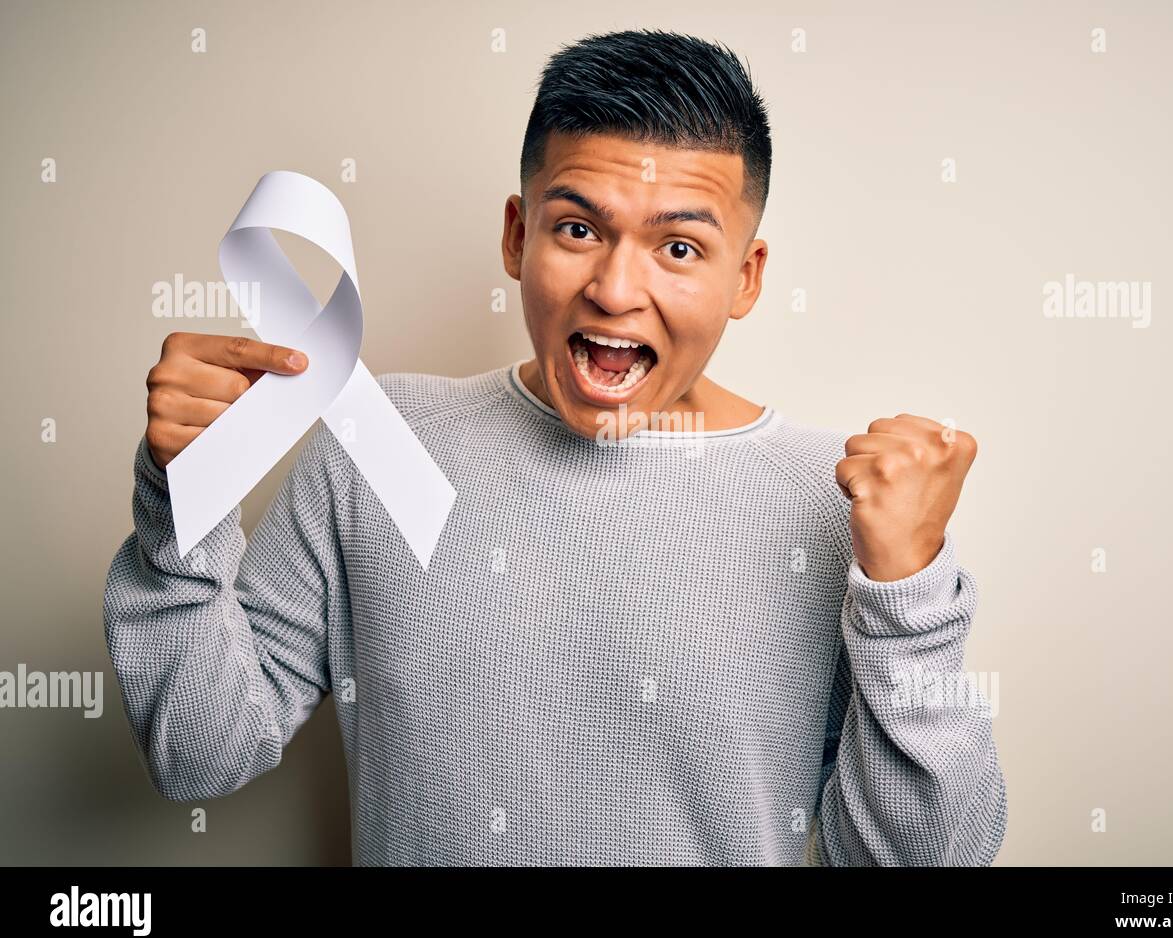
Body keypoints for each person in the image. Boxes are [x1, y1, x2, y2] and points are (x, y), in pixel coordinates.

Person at [104, 29, 1007, 865]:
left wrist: (910, 596)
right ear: (516, 235)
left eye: (680, 248)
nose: (616, 290)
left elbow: (921, 860)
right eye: (578, 229)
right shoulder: (376, 446)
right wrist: (186, 497)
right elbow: (200, 754)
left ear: (747, 277)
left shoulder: (838, 503)